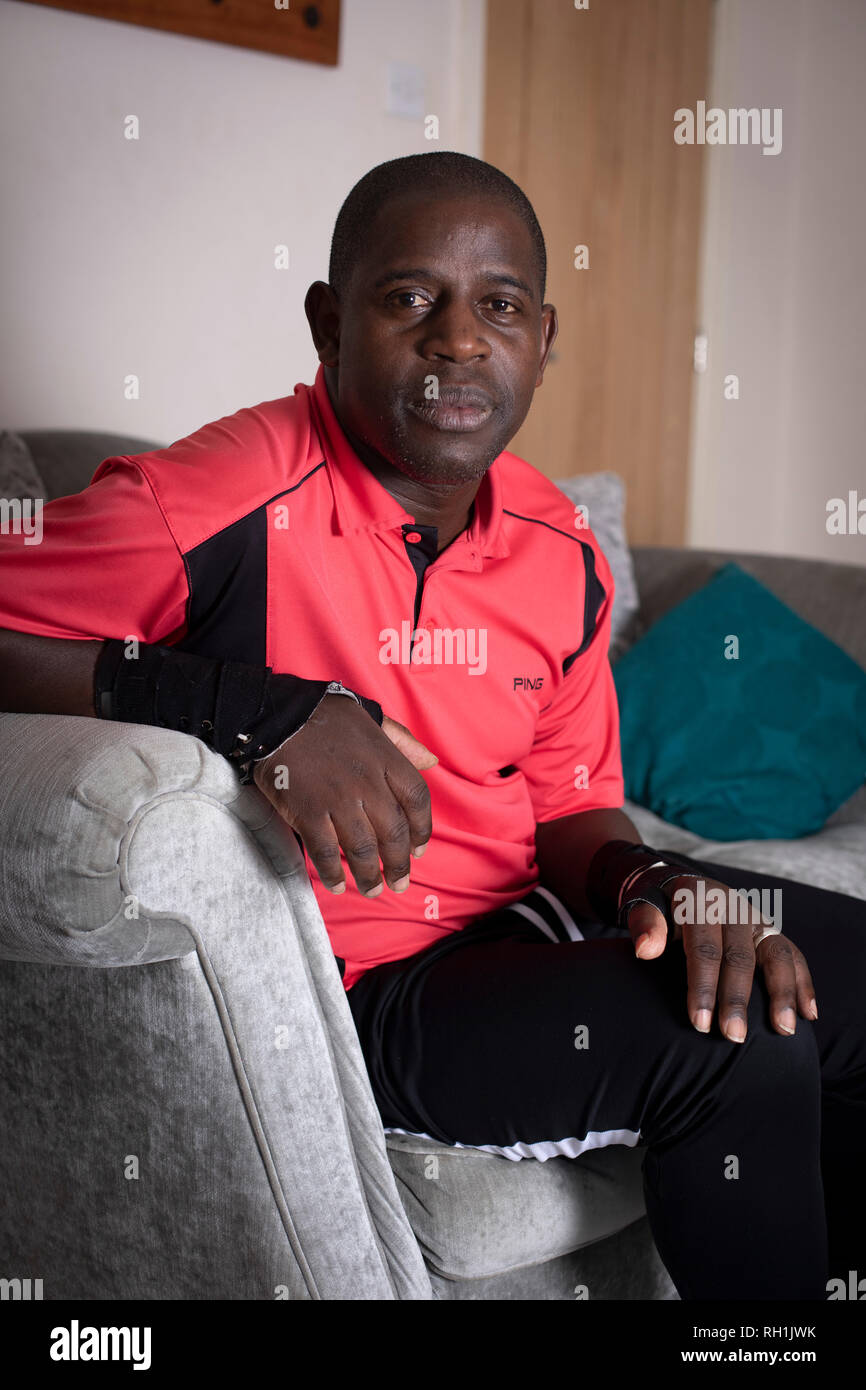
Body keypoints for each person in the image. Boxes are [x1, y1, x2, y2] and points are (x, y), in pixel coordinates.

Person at [1, 151, 864, 1302]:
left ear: (542, 341)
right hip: (375, 989)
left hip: (530, 920)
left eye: (498, 306)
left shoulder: (557, 543)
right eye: (410, 297)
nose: (459, 339)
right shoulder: (222, 494)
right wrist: (247, 706)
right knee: (735, 1030)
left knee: (820, 962)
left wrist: (652, 874)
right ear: (328, 323)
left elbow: (564, 798)